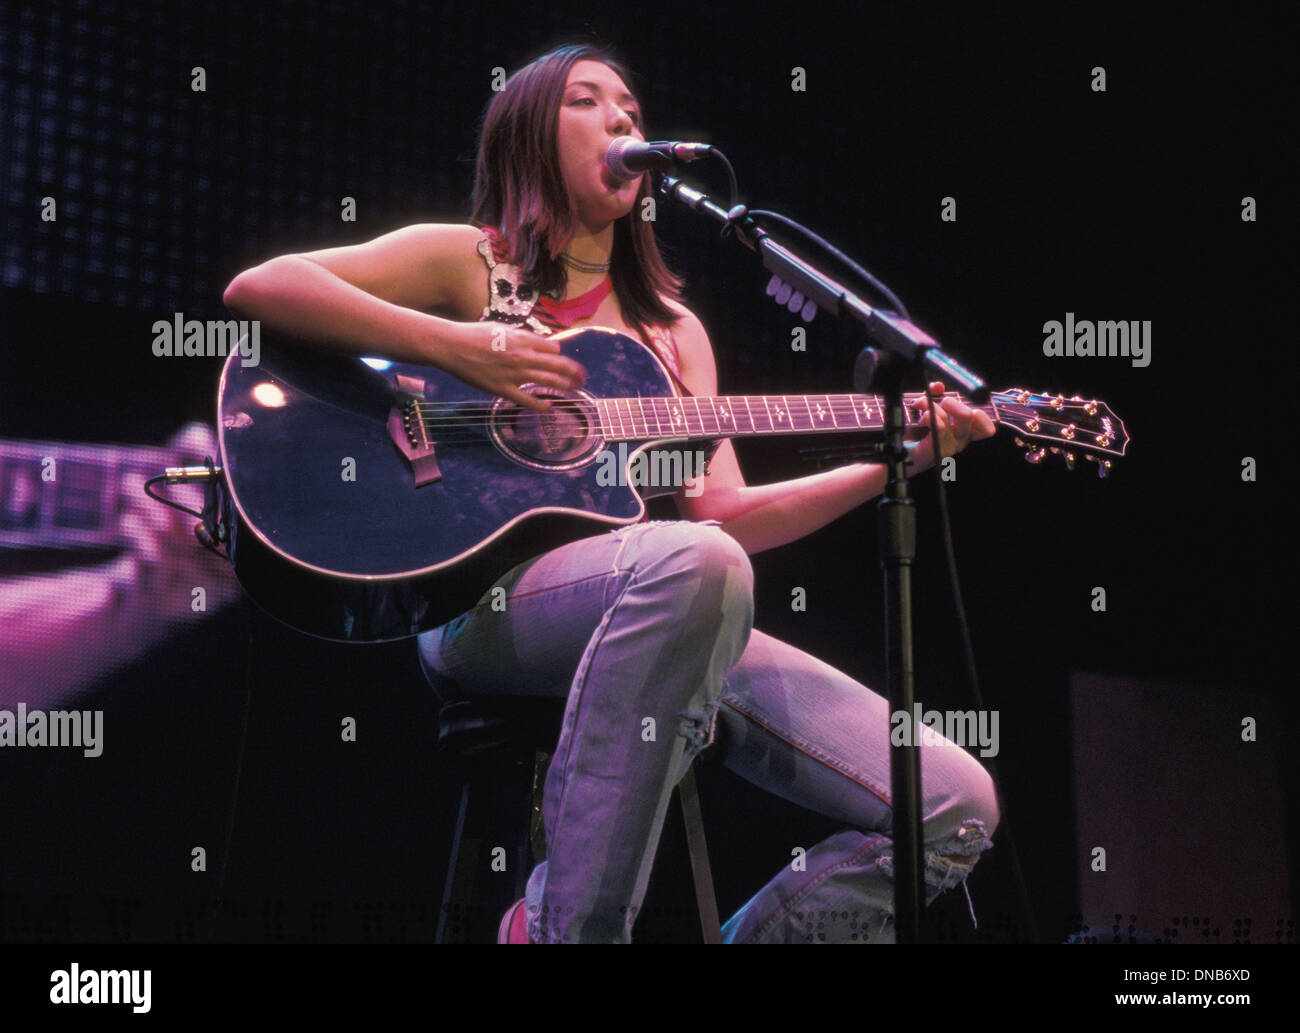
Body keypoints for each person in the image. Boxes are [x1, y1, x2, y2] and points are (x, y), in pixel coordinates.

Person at [222, 42, 1000, 944]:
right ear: (526, 138)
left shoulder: (674, 337)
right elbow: (261, 288)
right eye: (588, 102)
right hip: (481, 600)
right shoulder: (471, 262)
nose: (623, 118)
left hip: (668, 597)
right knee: (692, 566)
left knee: (955, 803)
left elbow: (723, 518)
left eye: (629, 105)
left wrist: (897, 460)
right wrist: (459, 348)